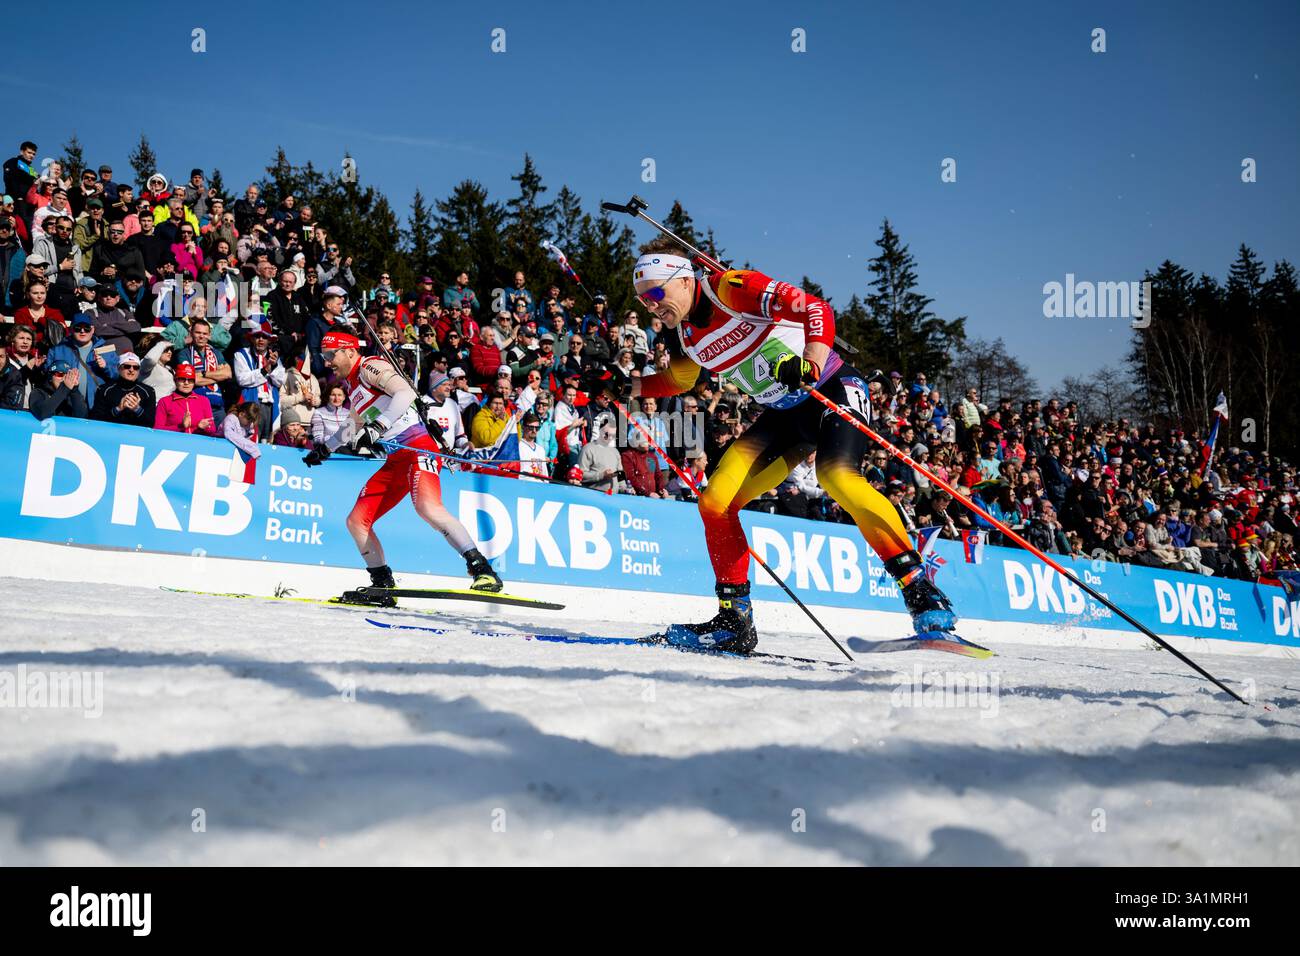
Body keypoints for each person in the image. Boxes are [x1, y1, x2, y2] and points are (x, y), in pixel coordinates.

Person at [627, 239, 962, 654]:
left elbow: (816, 309)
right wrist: (624, 385)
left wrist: (810, 362)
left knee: (836, 476)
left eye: (656, 293)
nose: (651, 306)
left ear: (683, 279)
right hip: (783, 414)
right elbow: (679, 381)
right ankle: (734, 621)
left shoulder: (730, 287)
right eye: (644, 301)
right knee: (715, 501)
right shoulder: (685, 336)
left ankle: (922, 592)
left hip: (831, 387)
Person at [301, 330, 504, 601]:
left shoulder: (369, 366)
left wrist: (379, 426)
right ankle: (382, 584)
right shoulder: (353, 386)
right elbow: (353, 425)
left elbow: (405, 393)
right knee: (356, 521)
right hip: (396, 459)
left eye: (331, 355)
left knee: (427, 507)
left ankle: (483, 569)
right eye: (324, 356)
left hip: (419, 448)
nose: (327, 362)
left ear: (349, 351)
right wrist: (325, 449)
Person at [92, 351, 155, 427]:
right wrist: (118, 409)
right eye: (127, 366)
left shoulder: (148, 391)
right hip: (111, 433)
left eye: (136, 367)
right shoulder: (104, 390)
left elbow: (151, 423)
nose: (131, 370)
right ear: (118, 368)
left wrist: (137, 409)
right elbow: (96, 420)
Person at [154, 363, 217, 435]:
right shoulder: (164, 401)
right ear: (175, 380)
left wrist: (201, 427)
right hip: (174, 443)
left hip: (198, 444)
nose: (186, 383)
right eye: (182, 379)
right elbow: (157, 430)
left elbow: (212, 429)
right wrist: (181, 426)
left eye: (190, 380)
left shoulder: (204, 400)